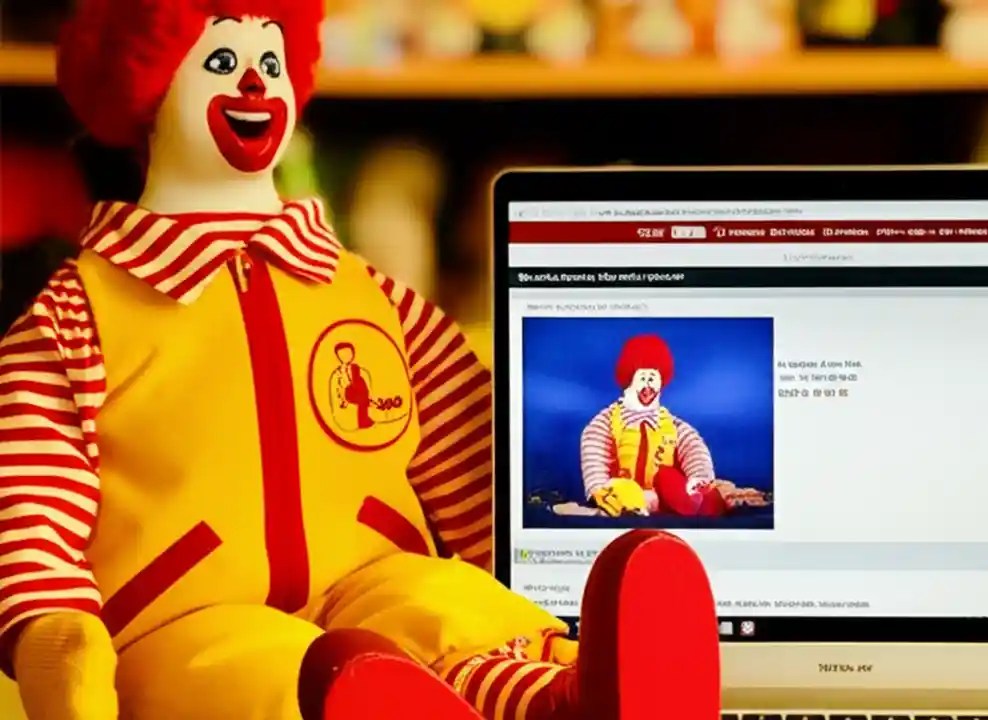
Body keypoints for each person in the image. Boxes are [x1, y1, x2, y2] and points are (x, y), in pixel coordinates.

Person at [0, 3, 719, 719]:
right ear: (145, 87)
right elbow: (32, 496)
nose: (256, 85)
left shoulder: (366, 293)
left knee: (442, 607)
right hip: (180, 617)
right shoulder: (81, 315)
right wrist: (52, 630)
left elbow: (465, 445)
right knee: (266, 671)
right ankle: (379, 706)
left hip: (367, 575)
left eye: (272, 63)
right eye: (223, 62)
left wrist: (532, 570)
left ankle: (570, 700)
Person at [579, 334, 730, 518]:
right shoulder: (606, 422)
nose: (648, 384)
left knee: (670, 478)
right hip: (622, 491)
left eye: (653, 377)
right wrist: (598, 488)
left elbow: (693, 448)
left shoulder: (672, 425)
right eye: (642, 377)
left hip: (663, 494)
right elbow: (594, 448)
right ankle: (633, 506)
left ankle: (689, 502)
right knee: (622, 491)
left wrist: (699, 477)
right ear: (629, 379)